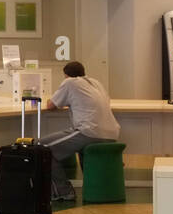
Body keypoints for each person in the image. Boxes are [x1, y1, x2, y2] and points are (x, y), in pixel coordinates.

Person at [41, 61, 120, 201]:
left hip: (89, 131)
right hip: (112, 133)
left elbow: (51, 105)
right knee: (62, 142)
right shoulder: (95, 83)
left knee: (42, 148)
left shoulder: (70, 83)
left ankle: (63, 191)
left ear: (66, 75)